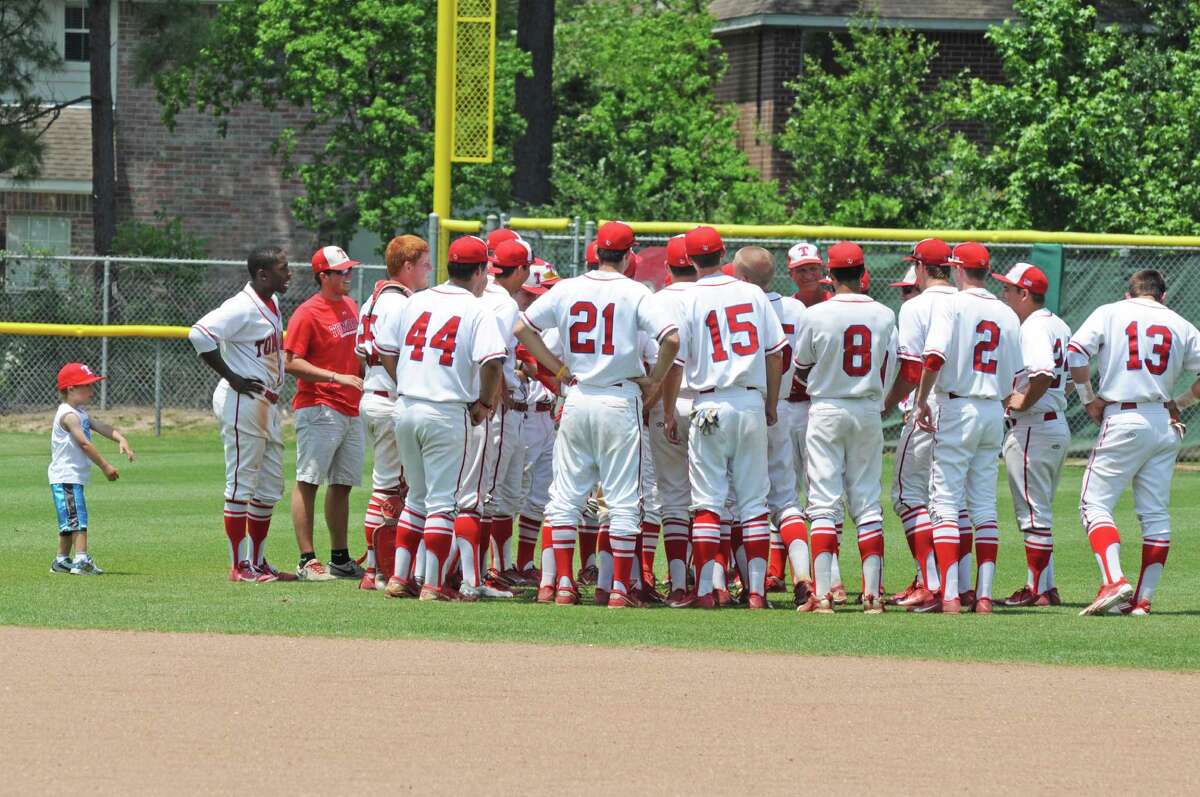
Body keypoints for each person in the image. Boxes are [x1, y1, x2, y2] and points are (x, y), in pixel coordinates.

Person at [514, 220, 679, 608]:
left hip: (577, 395)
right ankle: (619, 588)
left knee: (565, 497)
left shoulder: (568, 287)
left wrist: (556, 368)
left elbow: (522, 327)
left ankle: (563, 585)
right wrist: (655, 379)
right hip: (618, 399)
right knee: (622, 499)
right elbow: (671, 337)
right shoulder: (636, 291)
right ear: (628, 254)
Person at [377, 235, 507, 601]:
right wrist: (484, 401)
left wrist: (405, 381)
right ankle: (432, 584)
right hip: (447, 410)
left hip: (407, 407)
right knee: (442, 502)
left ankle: (400, 577)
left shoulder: (415, 299)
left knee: (415, 497)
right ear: (479, 271)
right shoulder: (477, 308)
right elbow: (493, 361)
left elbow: (385, 350)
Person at [662, 226, 785, 610]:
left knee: (708, 503)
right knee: (753, 503)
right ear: (724, 254)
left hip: (708, 403)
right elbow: (776, 352)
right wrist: (771, 403)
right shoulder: (751, 292)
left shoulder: (687, 297)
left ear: (689, 260)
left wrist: (668, 409)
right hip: (749, 400)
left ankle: (704, 592)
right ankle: (756, 593)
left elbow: (676, 362)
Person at [1067, 269, 1200, 616]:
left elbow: (1076, 352)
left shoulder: (1111, 311)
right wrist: (1179, 402)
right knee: (1155, 515)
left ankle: (1113, 581)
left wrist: (1087, 398)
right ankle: (1141, 600)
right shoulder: (1181, 323)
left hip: (1123, 416)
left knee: (1092, 503)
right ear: (1163, 296)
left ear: (1129, 294)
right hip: (1163, 421)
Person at [913, 241, 1022, 614]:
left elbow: (934, 356)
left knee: (944, 500)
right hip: (993, 408)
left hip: (956, 405)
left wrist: (921, 399)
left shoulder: (951, 304)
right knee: (983, 506)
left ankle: (950, 596)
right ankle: (985, 595)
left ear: (957, 269)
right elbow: (1018, 377)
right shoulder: (1007, 312)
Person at [792, 242, 896, 613]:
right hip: (867, 406)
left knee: (822, 502)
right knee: (867, 503)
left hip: (827, 406)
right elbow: (892, 365)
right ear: (862, 272)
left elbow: (801, 366)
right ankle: (873, 596)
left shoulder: (817, 314)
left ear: (830, 276)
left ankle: (821, 596)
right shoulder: (885, 313)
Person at [190, 246, 293, 582]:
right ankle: (238, 565)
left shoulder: (272, 302)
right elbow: (199, 334)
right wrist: (231, 375)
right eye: (282, 268)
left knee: (269, 486)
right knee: (242, 482)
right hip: (242, 401)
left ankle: (258, 561)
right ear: (263, 274)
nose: (288, 273)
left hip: (267, 403)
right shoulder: (240, 307)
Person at [733, 246, 811, 607]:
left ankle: (747, 585)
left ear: (743, 277)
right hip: (781, 404)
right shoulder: (795, 308)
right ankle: (804, 575)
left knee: (738, 500)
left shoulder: (736, 302)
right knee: (786, 499)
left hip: (745, 401)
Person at [881, 239, 957, 607]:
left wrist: (886, 404)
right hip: (972, 412)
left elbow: (912, 371)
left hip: (930, 408)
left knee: (908, 496)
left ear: (922, 268)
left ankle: (932, 582)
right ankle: (955, 585)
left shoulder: (918, 308)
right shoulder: (972, 302)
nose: (906, 295)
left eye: (910, 286)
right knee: (952, 503)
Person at [285, 246, 367, 581]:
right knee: (309, 481)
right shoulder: (308, 312)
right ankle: (307, 559)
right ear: (323, 276)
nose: (349, 276)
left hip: (350, 406)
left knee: (343, 484)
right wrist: (334, 376)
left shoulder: (350, 305)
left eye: (349, 270)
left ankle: (339, 557)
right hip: (319, 405)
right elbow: (291, 362)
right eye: (342, 272)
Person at [354, 234, 430, 591]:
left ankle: (373, 566)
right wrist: (408, 386)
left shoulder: (373, 298)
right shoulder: (399, 302)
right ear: (408, 266)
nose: (429, 270)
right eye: (425, 264)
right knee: (390, 488)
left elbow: (361, 351)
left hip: (373, 392)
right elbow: (389, 352)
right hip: (389, 396)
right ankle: (377, 569)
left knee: (386, 485)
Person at [994, 263, 1070, 608]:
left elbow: (1042, 373)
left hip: (1034, 427)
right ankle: (1048, 587)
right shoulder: (1057, 323)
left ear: (1025, 294)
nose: (1004, 294)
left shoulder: (1033, 328)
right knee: (1040, 511)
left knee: (1033, 515)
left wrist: (1022, 402)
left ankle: (1035, 588)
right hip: (1052, 426)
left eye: (1009, 289)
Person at [477, 236, 535, 589]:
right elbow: (492, 355)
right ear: (523, 270)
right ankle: (483, 572)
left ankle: (496, 567)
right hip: (499, 406)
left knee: (501, 494)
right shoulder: (502, 303)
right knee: (490, 493)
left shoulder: (486, 295)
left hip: (498, 405)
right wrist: (498, 393)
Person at [647, 234, 698, 604]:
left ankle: (678, 583)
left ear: (667, 267)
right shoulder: (719, 296)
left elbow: (656, 360)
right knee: (717, 498)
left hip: (669, 401)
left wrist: (657, 404)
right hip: (717, 402)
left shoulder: (656, 300)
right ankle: (715, 582)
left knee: (671, 496)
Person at [47, 363, 135, 576]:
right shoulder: (68, 415)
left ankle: (61, 561)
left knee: (70, 520)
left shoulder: (80, 412)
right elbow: (84, 444)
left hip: (70, 477)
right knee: (79, 520)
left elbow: (101, 427)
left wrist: (120, 438)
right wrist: (105, 466)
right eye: (86, 386)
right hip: (66, 476)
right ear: (70, 389)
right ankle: (81, 561)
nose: (92, 391)